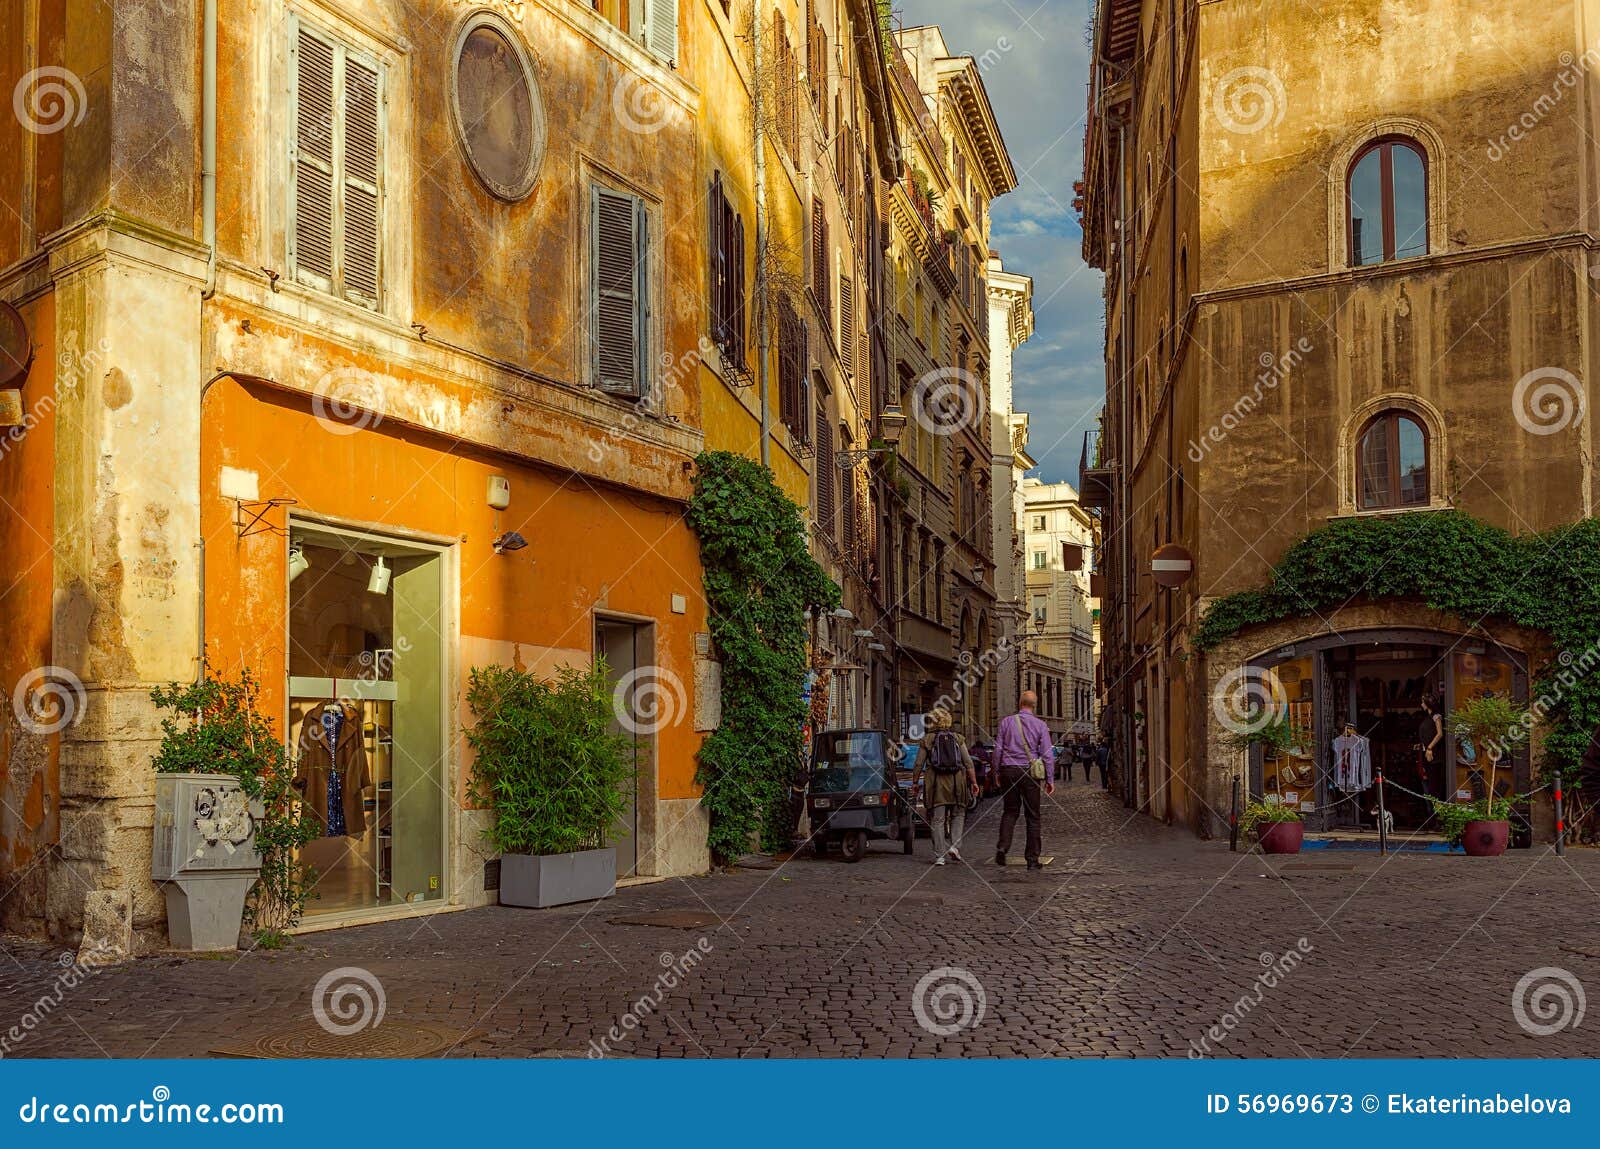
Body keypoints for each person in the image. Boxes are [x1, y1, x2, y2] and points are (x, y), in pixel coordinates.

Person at [991, 690, 1056, 869]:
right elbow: (1047, 754)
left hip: (1008, 770)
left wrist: (996, 771)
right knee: (1033, 816)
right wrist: (1049, 778)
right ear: (1034, 705)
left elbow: (998, 750)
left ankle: (1003, 847)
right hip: (1030, 773)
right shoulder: (1040, 725)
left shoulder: (1006, 722)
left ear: (1020, 703)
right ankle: (1032, 860)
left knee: (1010, 811)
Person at [911, 708, 977, 865]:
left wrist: (915, 782)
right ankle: (954, 846)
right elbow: (968, 763)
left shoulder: (927, 740)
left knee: (938, 819)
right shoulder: (957, 738)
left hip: (936, 785)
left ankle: (940, 855)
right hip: (957, 783)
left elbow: (919, 763)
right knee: (958, 815)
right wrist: (974, 782)